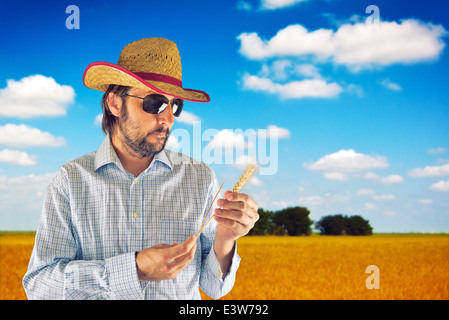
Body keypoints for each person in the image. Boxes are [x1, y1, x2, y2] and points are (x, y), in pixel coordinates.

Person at [23, 37, 259, 300]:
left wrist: (225, 240)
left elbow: (215, 289)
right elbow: (39, 287)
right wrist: (133, 270)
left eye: (175, 105)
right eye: (154, 103)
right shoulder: (70, 181)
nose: (168, 118)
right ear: (115, 104)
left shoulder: (201, 178)